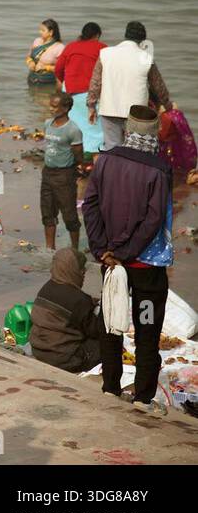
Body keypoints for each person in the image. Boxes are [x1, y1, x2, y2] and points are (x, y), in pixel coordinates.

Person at [83, 105, 173, 416]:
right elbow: (153, 220)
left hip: (113, 266)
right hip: (146, 270)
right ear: (154, 131)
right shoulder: (159, 170)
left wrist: (103, 250)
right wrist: (124, 252)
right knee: (147, 329)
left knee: (111, 323)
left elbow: (90, 205)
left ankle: (110, 387)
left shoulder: (106, 159)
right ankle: (143, 398)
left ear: (128, 129)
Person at [87, 21, 175, 152]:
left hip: (109, 109)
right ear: (142, 41)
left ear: (126, 36)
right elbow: (158, 86)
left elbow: (95, 83)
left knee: (112, 149)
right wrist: (167, 106)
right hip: (138, 115)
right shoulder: (146, 57)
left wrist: (91, 106)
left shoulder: (106, 53)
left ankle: (114, 172)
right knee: (136, 151)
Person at [29, 248, 101, 374]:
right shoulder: (78, 299)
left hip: (39, 350)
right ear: (72, 270)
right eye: (81, 269)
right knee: (109, 343)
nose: (83, 273)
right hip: (64, 358)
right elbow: (95, 331)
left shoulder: (46, 288)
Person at [41, 91, 83, 251]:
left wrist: (79, 167)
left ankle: (74, 249)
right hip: (48, 173)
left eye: (55, 106)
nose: (51, 109)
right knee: (47, 212)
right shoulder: (47, 124)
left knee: (69, 214)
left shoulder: (73, 130)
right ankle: (49, 248)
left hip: (64, 175)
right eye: (50, 106)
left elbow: (78, 153)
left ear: (65, 108)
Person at [56, 22, 106, 154]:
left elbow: (58, 69)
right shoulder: (102, 48)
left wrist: (65, 83)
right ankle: (93, 156)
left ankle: (74, 153)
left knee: (75, 124)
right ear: (97, 35)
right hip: (92, 93)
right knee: (95, 128)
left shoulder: (71, 47)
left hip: (70, 92)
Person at [26, 19, 64, 86]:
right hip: (32, 79)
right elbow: (28, 56)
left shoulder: (59, 47)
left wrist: (45, 67)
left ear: (51, 32)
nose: (40, 32)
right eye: (40, 29)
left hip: (48, 83)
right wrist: (30, 62)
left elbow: (61, 69)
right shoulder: (37, 41)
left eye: (43, 30)